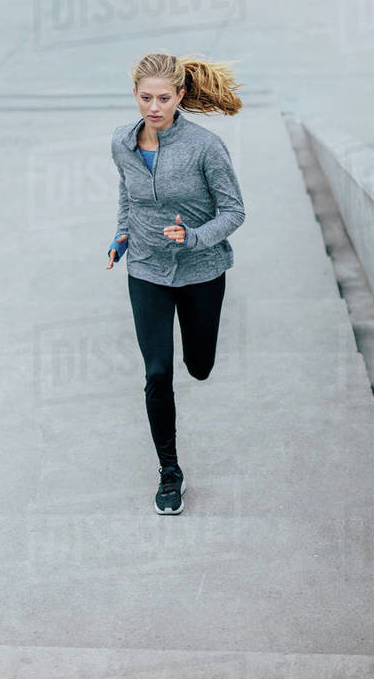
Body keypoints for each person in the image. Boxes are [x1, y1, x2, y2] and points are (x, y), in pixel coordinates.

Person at [104, 52, 246, 515]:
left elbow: (234, 212)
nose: (154, 107)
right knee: (157, 374)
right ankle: (169, 472)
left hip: (201, 270)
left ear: (181, 96)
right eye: (146, 98)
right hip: (145, 268)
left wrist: (195, 237)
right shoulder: (121, 143)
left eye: (164, 98)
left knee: (199, 365)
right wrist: (122, 235)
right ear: (135, 96)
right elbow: (127, 192)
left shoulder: (205, 147)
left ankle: (198, 359)